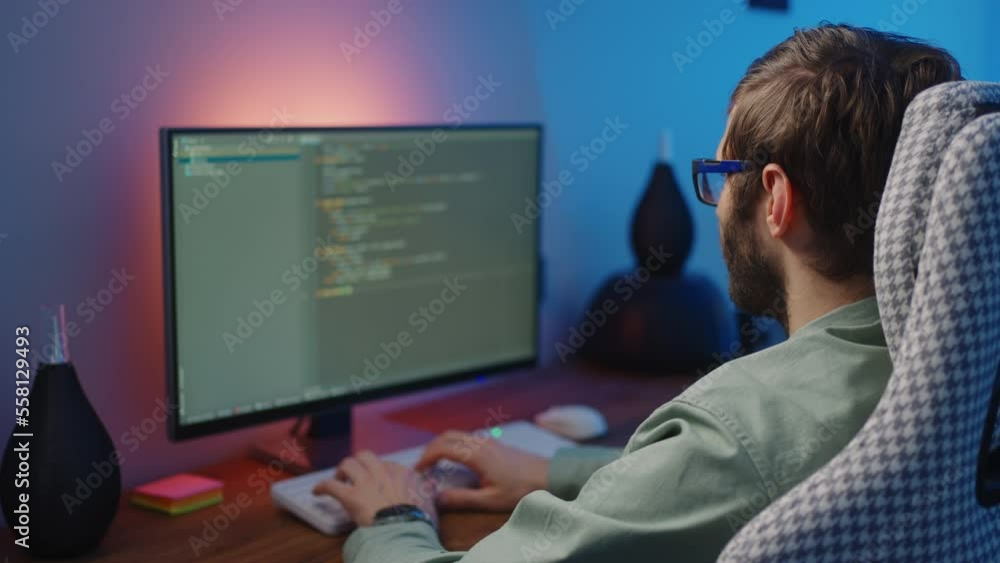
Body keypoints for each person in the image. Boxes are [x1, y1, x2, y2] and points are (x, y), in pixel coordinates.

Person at [313, 24, 963, 562]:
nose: (712, 206)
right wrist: (559, 470)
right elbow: (719, 483)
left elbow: (734, 468)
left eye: (718, 176)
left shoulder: (741, 432)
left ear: (775, 198)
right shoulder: (961, 371)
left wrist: (394, 514)